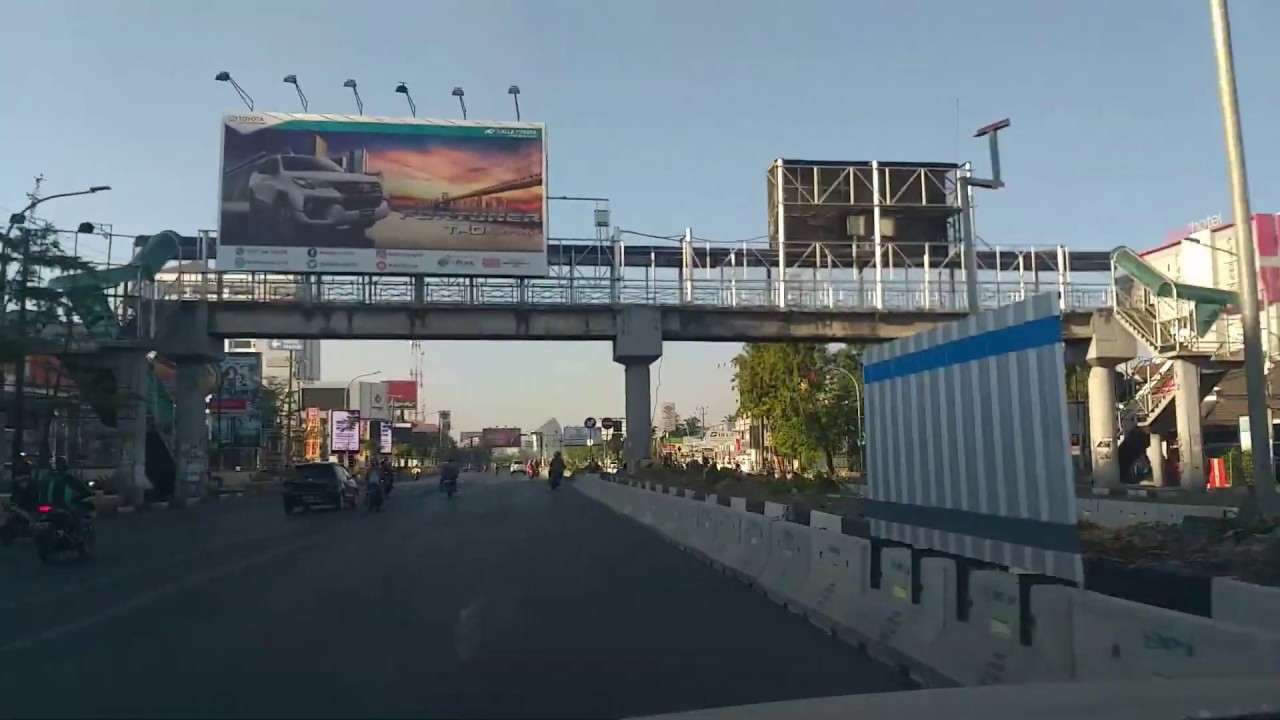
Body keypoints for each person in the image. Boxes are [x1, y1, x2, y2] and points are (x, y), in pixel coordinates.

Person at [36, 457, 94, 537]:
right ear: (64, 467)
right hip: (62, 506)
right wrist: (89, 493)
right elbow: (82, 488)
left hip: (43, 506)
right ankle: (79, 537)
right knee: (78, 514)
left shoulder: (43, 478)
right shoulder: (67, 478)